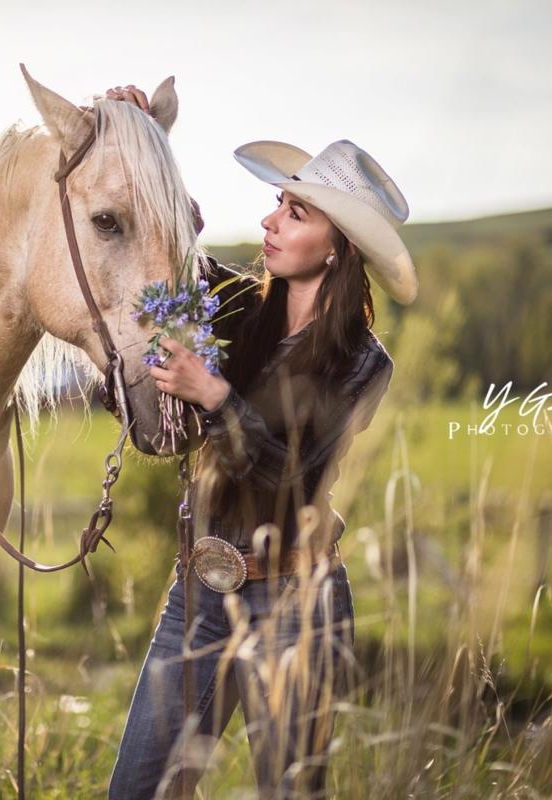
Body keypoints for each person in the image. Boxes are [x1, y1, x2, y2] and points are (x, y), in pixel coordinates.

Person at [102, 85, 418, 799]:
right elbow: (168, 255)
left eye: (294, 211)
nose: (270, 221)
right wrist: (144, 136)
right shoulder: (241, 306)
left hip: (296, 606)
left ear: (336, 250)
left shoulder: (363, 364)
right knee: (138, 791)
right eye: (278, 204)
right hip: (197, 592)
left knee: (288, 791)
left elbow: (291, 478)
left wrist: (212, 394)